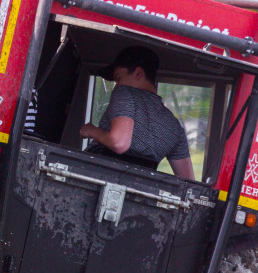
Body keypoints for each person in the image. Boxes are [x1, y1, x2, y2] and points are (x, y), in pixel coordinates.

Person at [79, 46, 196, 180]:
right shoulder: (175, 127)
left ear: (138, 73)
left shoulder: (124, 92)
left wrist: (91, 130)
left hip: (94, 178)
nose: (117, 86)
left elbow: (119, 143)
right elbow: (189, 182)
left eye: (118, 79)